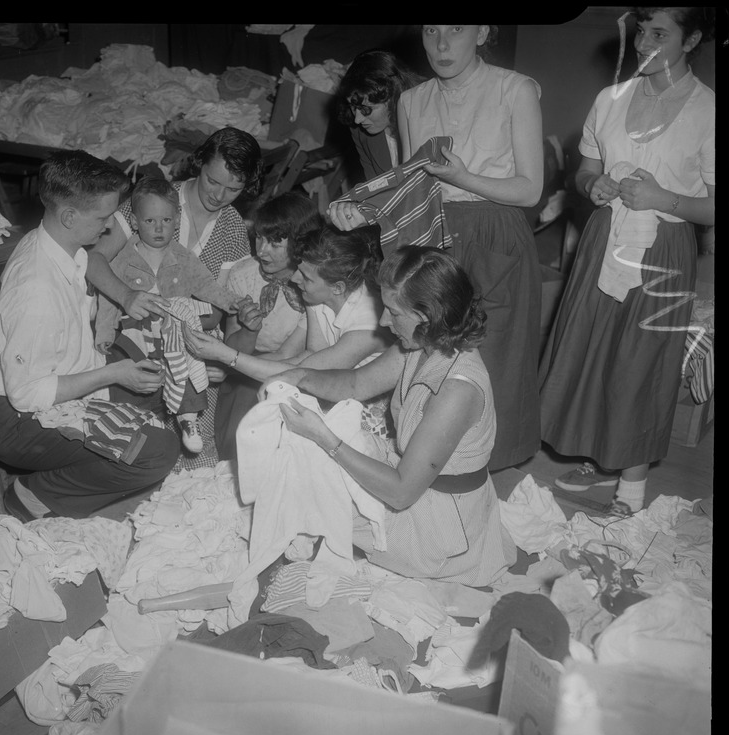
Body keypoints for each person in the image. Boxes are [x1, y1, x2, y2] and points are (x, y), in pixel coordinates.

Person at [330, 24, 544, 472]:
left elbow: (529, 191)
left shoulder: (517, 90)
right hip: (434, 233)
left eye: (457, 29)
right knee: (430, 352)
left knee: (497, 356)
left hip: (495, 232)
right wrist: (359, 210)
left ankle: (488, 476)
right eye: (432, 31)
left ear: (484, 32)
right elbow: (410, 188)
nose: (442, 44)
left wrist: (462, 178)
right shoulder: (410, 101)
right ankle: (427, 465)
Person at [539, 8, 715, 515]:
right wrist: (590, 183)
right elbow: (586, 167)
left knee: (642, 360)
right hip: (604, 236)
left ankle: (631, 490)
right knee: (593, 347)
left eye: (660, 34)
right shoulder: (609, 99)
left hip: (664, 249)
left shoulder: (707, 110)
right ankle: (602, 457)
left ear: (692, 39)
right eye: (642, 31)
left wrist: (664, 198)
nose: (644, 43)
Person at [269, 245, 517, 586]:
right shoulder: (421, 345)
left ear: (427, 317)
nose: (384, 321)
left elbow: (401, 493)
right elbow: (356, 383)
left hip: (437, 520)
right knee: (303, 476)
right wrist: (301, 376)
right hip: (412, 484)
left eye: (393, 312)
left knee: (311, 496)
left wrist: (324, 437)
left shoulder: (457, 389)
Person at [0, 150, 180, 522]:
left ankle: (73, 467)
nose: (107, 228)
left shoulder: (60, 244)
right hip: (16, 419)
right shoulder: (36, 292)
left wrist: (121, 299)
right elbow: (28, 394)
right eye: (102, 219)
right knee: (158, 452)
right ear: (70, 216)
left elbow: (97, 249)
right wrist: (115, 374)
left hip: (61, 378)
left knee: (159, 386)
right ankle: (34, 495)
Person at [88, 126, 264, 469]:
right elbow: (93, 261)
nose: (219, 195)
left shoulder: (232, 230)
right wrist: (126, 296)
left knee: (197, 446)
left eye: (234, 189)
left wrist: (224, 361)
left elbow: (225, 307)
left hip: (188, 344)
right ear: (199, 164)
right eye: (213, 181)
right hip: (131, 329)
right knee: (124, 437)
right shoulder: (154, 201)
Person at [184, 223, 393, 389]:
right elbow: (309, 355)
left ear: (337, 288)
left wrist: (226, 356)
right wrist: (230, 365)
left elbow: (302, 372)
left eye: (306, 277)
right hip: (327, 385)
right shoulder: (319, 295)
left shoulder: (367, 327)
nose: (294, 278)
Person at [212, 192, 324, 460]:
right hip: (242, 369)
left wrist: (240, 364)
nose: (262, 250)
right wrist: (250, 331)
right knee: (238, 427)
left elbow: (289, 356)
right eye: (259, 237)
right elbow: (232, 346)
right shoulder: (243, 275)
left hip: (291, 368)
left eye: (275, 243)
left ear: (299, 243)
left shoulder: (310, 285)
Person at [335, 49, 423, 182]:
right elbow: (374, 186)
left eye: (365, 109)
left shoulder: (429, 115)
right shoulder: (360, 131)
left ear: (392, 99)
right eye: (353, 107)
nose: (357, 119)